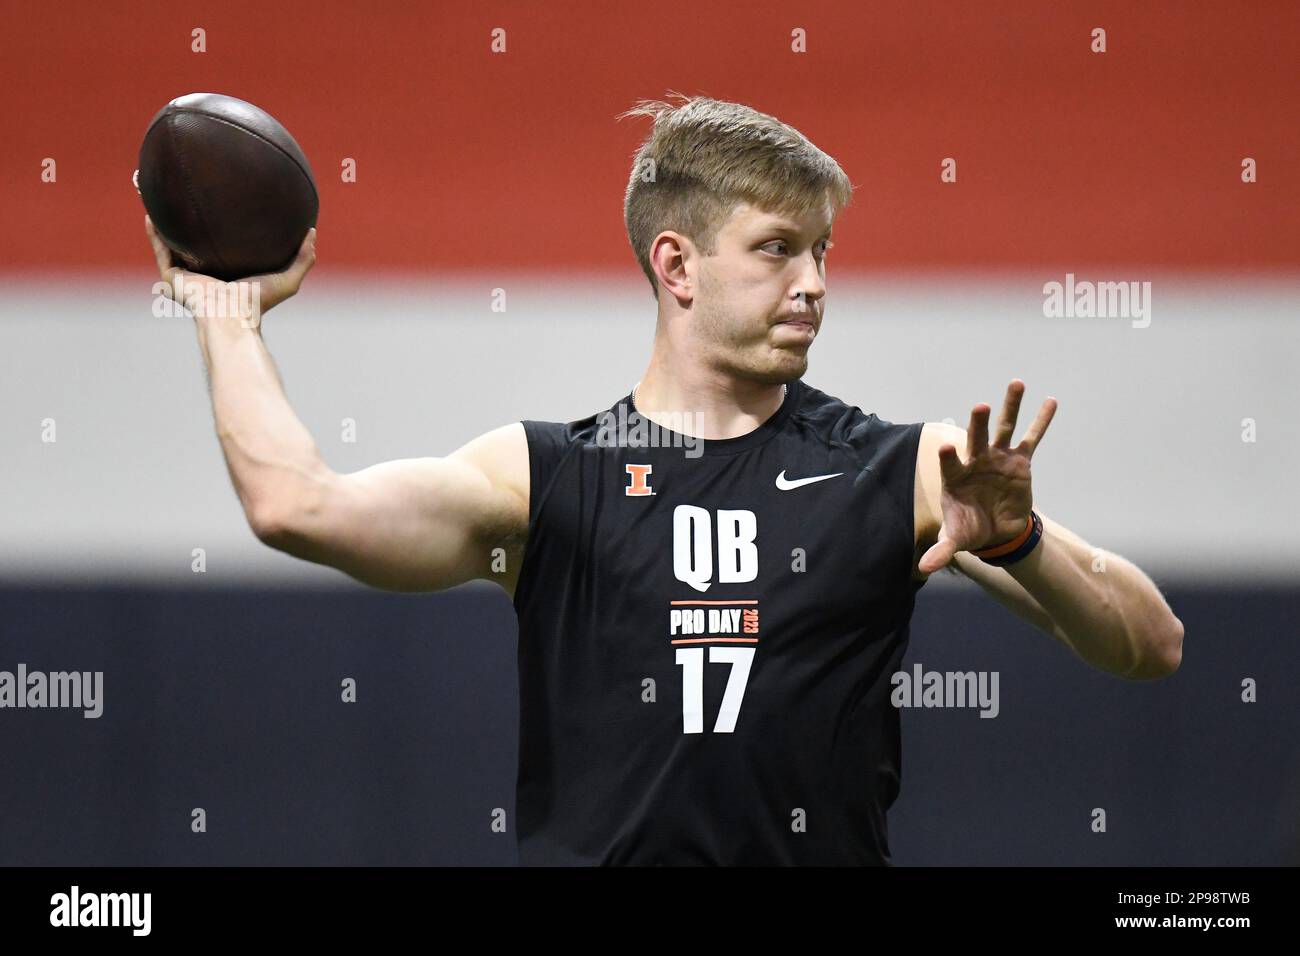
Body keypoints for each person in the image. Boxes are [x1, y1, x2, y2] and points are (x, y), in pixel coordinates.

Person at [145, 94, 1184, 866]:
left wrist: (1020, 540)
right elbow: (296, 504)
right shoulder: (546, 476)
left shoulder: (896, 471)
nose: (815, 284)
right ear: (677, 266)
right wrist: (225, 314)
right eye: (777, 250)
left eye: (823, 252)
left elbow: (1151, 645)